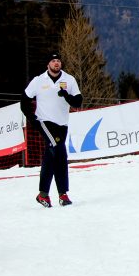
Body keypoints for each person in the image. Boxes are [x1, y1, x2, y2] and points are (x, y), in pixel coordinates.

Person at [20, 53, 83, 208]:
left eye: (58, 60)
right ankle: (61, 194)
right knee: (57, 150)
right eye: (53, 61)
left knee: (57, 155)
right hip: (45, 123)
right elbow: (24, 100)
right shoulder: (39, 81)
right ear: (48, 64)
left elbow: (78, 102)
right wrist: (33, 119)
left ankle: (45, 195)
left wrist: (66, 96)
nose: (56, 63)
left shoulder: (69, 80)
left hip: (62, 124)